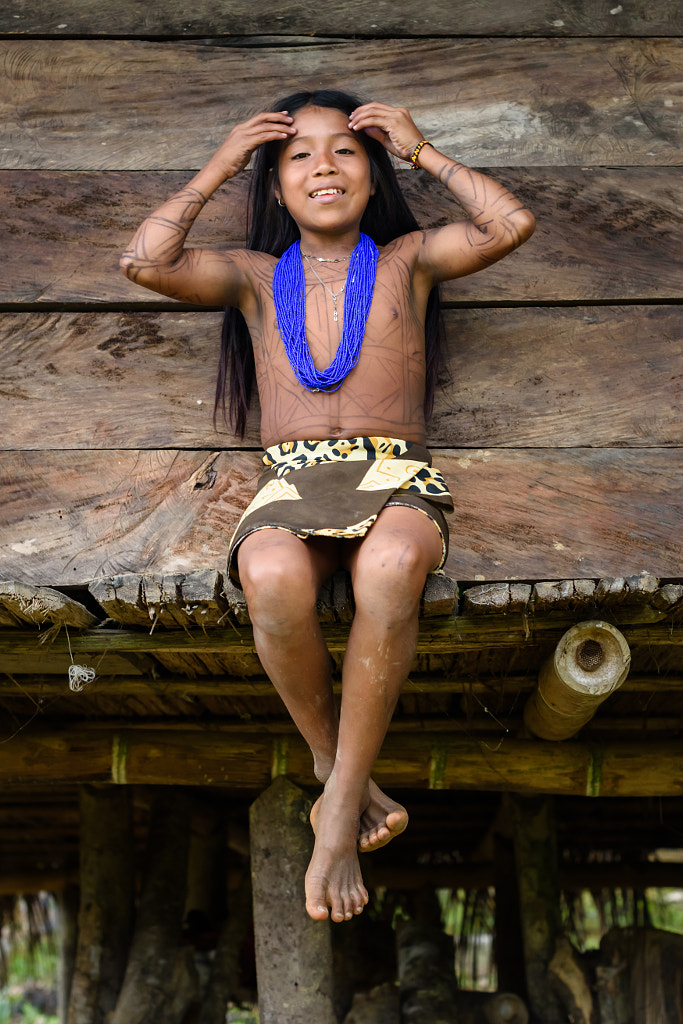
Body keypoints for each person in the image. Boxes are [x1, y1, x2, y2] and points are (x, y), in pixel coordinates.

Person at [121, 89, 535, 924]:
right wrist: (219, 166)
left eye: (345, 150)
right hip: (291, 474)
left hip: (393, 471)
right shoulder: (250, 276)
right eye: (299, 155)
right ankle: (334, 770)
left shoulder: (406, 258)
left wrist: (422, 150)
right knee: (270, 574)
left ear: (372, 175)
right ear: (274, 186)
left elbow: (508, 225)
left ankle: (337, 811)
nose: (323, 166)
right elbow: (145, 260)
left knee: (390, 565)